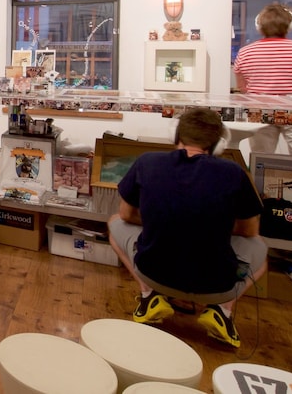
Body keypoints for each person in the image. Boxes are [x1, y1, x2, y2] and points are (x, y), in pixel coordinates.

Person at [108, 107, 267, 348]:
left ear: (176, 137)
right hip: (218, 286)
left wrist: (159, 218)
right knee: (261, 251)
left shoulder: (147, 162)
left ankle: (149, 294)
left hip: (153, 273)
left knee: (113, 224)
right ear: (216, 146)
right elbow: (249, 231)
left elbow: (125, 215)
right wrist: (210, 223)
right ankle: (223, 310)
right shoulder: (234, 172)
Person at [233, 2, 292, 160]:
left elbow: (243, 87)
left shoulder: (245, 52)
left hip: (259, 111)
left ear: (259, 26)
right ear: (290, 25)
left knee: (260, 162)